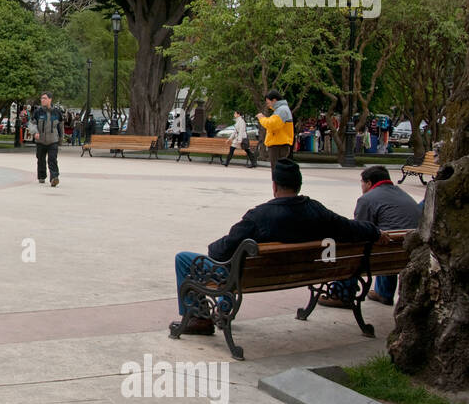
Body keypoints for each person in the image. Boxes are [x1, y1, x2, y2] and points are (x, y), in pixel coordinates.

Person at [170, 159, 381, 334]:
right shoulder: (317, 211)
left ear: (274, 186)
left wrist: (213, 246)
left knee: (186, 259)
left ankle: (199, 319)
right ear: (299, 185)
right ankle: (222, 311)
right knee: (235, 265)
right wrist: (376, 231)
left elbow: (220, 251)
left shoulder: (259, 216)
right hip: (301, 273)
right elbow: (351, 228)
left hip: (246, 276)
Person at [321, 165, 422, 308]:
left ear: (369, 183)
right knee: (386, 239)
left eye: (362, 182)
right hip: (409, 253)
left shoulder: (367, 199)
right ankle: (384, 293)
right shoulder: (403, 195)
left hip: (383, 254)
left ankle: (343, 294)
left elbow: (358, 231)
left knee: (352, 247)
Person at [34, 92, 64, 187]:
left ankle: (54, 178)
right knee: (41, 160)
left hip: (53, 140)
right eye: (41, 98)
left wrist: (60, 139)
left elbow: (61, 127)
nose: (42, 100)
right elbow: (31, 123)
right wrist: (35, 132)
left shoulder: (57, 112)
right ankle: (42, 176)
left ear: (50, 99)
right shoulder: (38, 112)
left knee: (52, 159)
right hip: (41, 141)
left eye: (44, 98)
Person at [258, 90, 295, 165]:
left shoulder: (281, 110)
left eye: (268, 102)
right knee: (279, 171)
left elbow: (272, 124)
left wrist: (261, 118)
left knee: (277, 171)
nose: (268, 105)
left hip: (278, 145)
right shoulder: (282, 109)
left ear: (274, 100)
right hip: (279, 144)